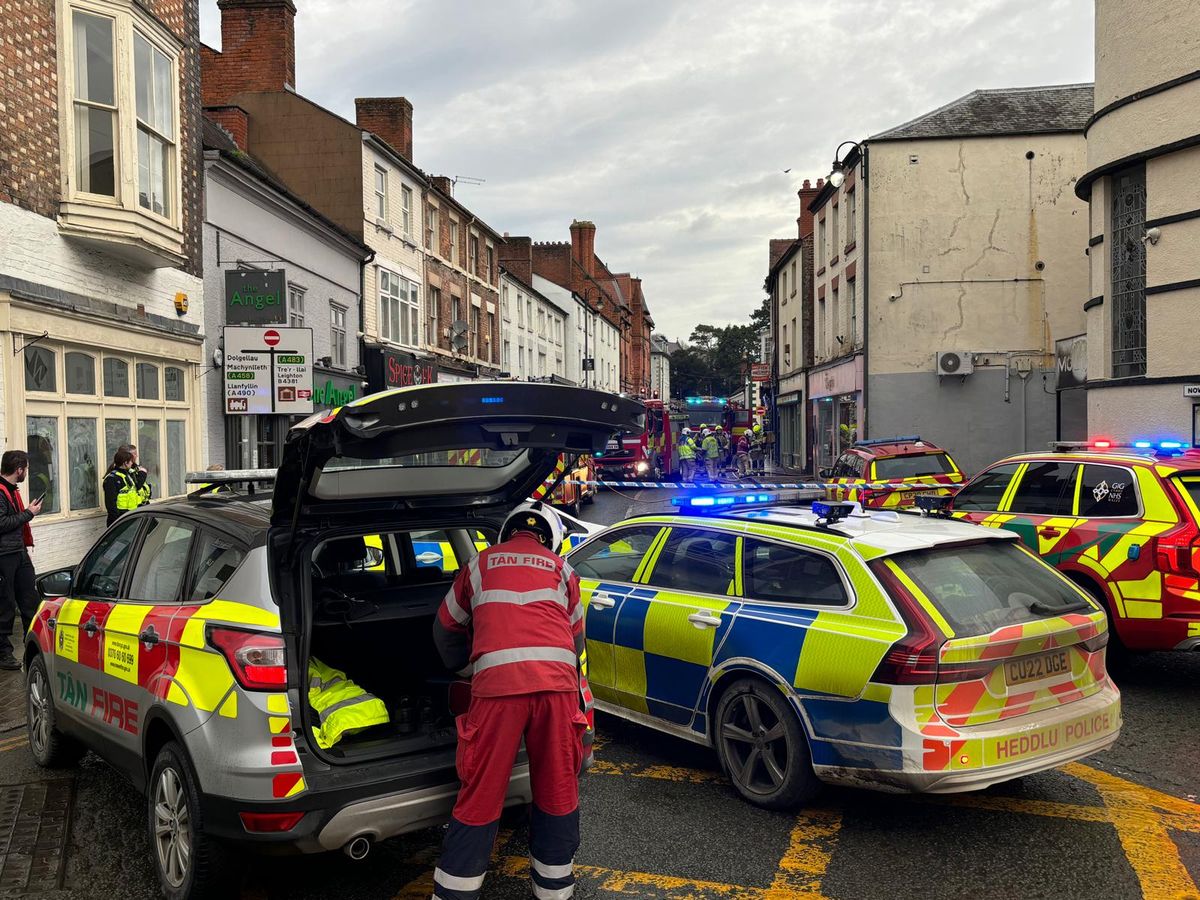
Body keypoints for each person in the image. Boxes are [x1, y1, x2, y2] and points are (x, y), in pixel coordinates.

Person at [431, 501, 590, 900]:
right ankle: (554, 890)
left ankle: (455, 894)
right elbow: (576, 642)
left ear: (506, 532)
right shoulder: (563, 570)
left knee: (481, 793)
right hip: (557, 690)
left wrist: (467, 671)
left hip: (498, 691)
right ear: (550, 537)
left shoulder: (479, 566)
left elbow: (445, 629)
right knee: (557, 788)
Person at [0, 451, 43, 670]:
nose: (26, 472)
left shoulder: (11, 490)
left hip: (19, 552)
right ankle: (3, 652)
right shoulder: (0, 492)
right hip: (4, 556)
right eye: (25, 468)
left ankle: (33, 644)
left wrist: (27, 512)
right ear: (19, 469)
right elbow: (2, 523)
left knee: (30, 599)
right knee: (5, 603)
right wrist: (29, 513)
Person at [103, 448, 142, 526]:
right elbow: (110, 503)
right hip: (120, 519)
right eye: (131, 461)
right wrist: (117, 521)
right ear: (125, 463)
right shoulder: (112, 479)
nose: (132, 463)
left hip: (131, 516)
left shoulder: (128, 475)